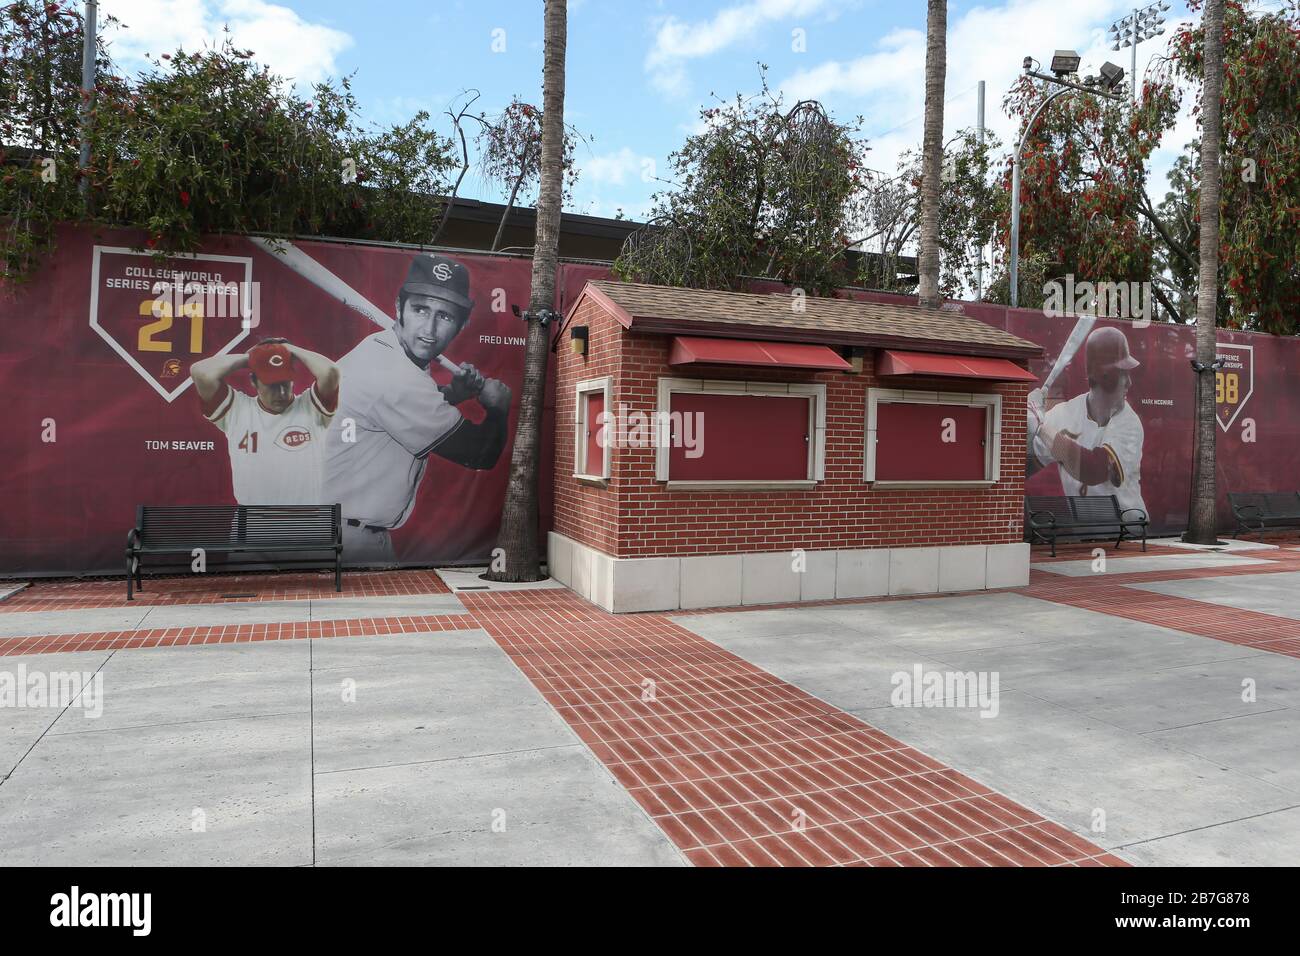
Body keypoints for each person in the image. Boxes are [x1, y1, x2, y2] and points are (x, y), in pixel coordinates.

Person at [323, 253, 512, 564]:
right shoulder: (392, 373)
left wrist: (452, 394)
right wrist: (497, 409)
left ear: (461, 325)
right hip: (344, 539)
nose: (430, 327)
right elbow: (480, 453)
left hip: (348, 532)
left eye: (445, 316)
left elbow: (392, 418)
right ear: (399, 309)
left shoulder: (384, 352)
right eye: (421, 309)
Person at [191, 339, 339, 504]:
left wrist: (288, 349)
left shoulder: (311, 407)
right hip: (252, 522)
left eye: (286, 383)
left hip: (306, 521)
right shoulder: (237, 410)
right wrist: (254, 358)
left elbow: (331, 371)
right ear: (253, 381)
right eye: (272, 385)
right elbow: (200, 372)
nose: (281, 392)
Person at [1029, 326, 1147, 515]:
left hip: (1127, 529)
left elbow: (1094, 469)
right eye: (1123, 373)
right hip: (1084, 533)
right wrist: (1022, 419)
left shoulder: (1129, 422)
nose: (1129, 382)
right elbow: (1024, 466)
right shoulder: (1063, 414)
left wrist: (1041, 427)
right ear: (1105, 376)